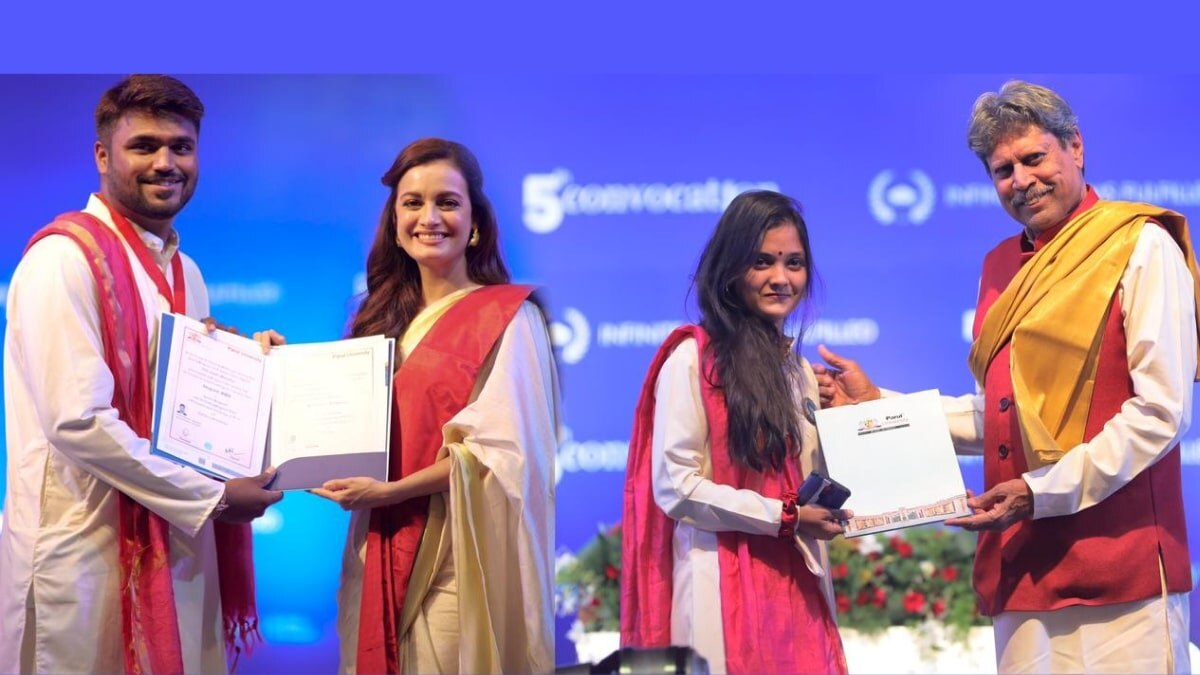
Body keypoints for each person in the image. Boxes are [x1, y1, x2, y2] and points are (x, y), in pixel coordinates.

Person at [816, 80, 1200, 673]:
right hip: (1021, 567)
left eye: (1034, 158)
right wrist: (876, 405)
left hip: (1120, 567)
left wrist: (1039, 491)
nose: (1021, 181)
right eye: (1003, 170)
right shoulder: (999, 265)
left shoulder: (1140, 245)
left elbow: (1160, 412)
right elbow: (1001, 415)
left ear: (1076, 147)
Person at [0, 75, 284, 674]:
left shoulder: (186, 271)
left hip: (176, 550)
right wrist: (212, 496)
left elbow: (180, 407)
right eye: (144, 146)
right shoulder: (62, 259)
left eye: (181, 147)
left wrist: (252, 370)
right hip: (85, 557)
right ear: (103, 156)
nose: (166, 163)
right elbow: (78, 421)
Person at [311, 137, 558, 674]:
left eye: (447, 202)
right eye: (413, 203)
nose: (429, 218)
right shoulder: (379, 324)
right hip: (375, 544)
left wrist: (391, 491)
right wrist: (271, 368)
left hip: (455, 560)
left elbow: (502, 455)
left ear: (475, 223)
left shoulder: (510, 318)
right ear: (395, 222)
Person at [620, 190, 849, 674]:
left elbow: (809, 483)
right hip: (717, 585)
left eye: (794, 263)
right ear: (730, 269)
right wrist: (784, 516)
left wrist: (842, 426)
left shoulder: (798, 371)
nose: (781, 278)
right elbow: (677, 487)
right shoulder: (693, 359)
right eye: (762, 262)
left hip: (796, 586)